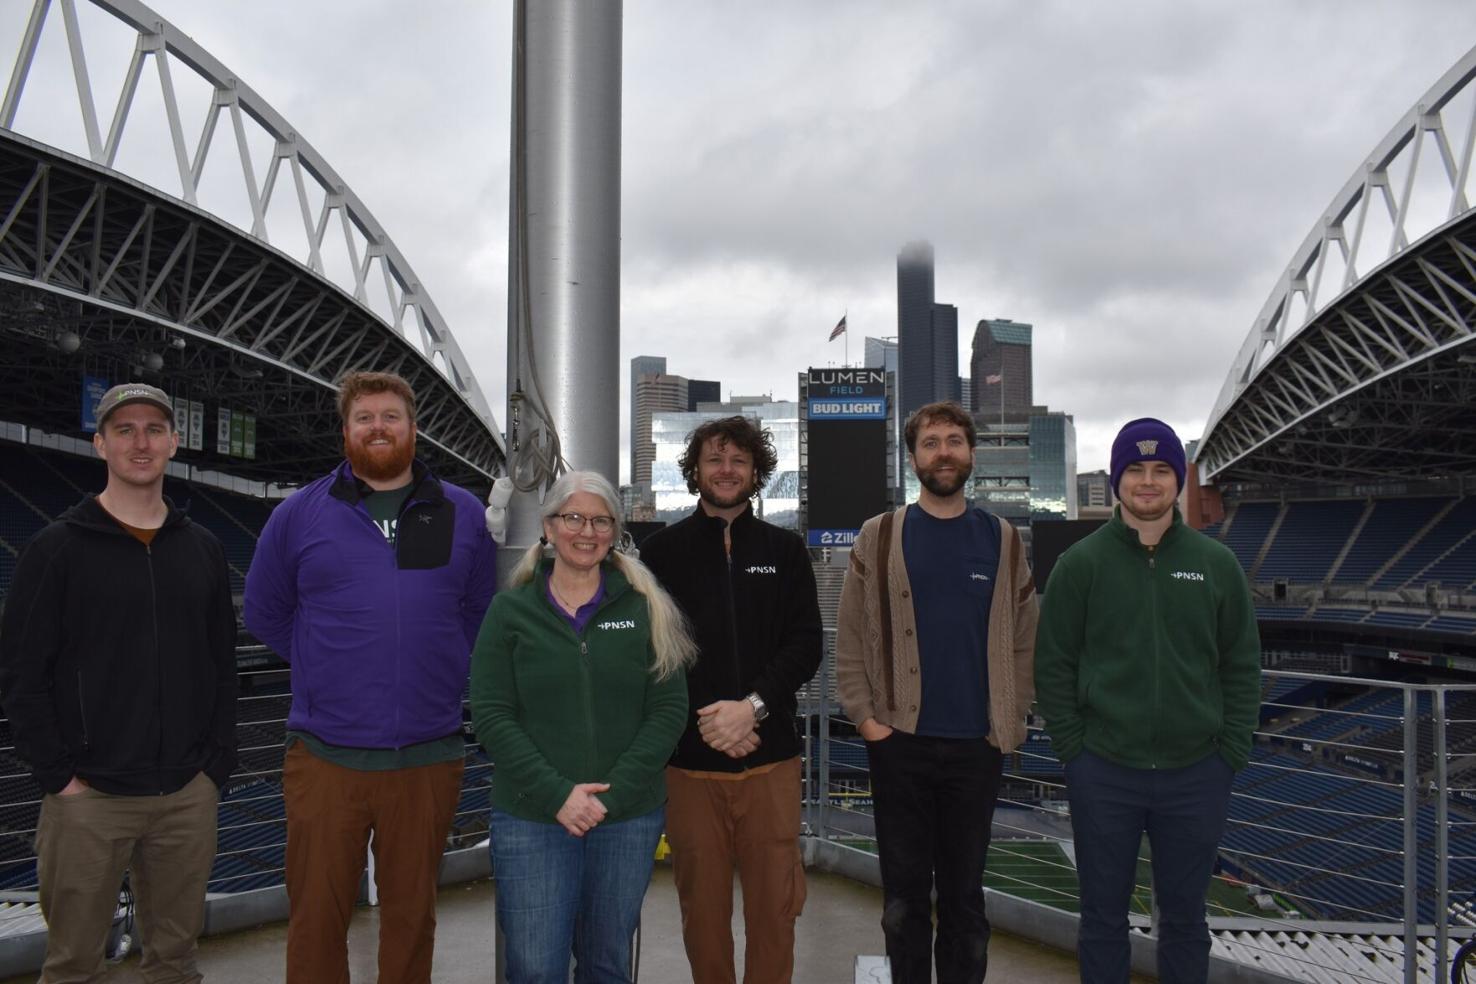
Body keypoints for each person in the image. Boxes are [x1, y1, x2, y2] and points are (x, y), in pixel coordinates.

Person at [243, 370, 497, 984]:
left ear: (414, 429)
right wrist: (327, 663)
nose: (377, 428)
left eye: (390, 417)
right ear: (346, 430)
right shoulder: (300, 513)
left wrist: (434, 665)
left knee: (412, 920)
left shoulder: (459, 512)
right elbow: (265, 611)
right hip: (326, 755)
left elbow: (479, 611)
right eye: (364, 418)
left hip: (428, 755)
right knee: (316, 919)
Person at [0, 382, 237, 983]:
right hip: (89, 800)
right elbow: (22, 674)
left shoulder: (204, 549)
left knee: (175, 965)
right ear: (100, 444)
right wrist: (60, 778)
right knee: (73, 968)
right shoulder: (55, 549)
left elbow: (221, 665)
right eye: (124, 430)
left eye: (154, 430)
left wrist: (214, 768)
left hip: (186, 793)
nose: (141, 442)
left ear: (174, 442)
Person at [1034, 417, 1260, 984]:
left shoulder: (1217, 564)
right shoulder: (1080, 564)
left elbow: (1240, 665)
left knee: (1186, 921)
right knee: (1102, 919)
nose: (1148, 481)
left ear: (1179, 480)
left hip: (1196, 773)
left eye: (1162, 469)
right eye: (1135, 469)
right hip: (1104, 770)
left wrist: (1229, 753)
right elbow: (1053, 665)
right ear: (1117, 479)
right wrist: (1075, 752)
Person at [835, 400, 1038, 984]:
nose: (943, 452)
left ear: (971, 453)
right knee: (902, 904)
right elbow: (851, 637)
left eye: (953, 441)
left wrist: (1012, 717)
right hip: (899, 743)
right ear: (913, 458)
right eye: (930, 443)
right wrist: (867, 719)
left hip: (977, 747)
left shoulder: (1003, 539)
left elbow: (1025, 640)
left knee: (965, 903)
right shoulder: (879, 536)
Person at [470, 470, 692, 983]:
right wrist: (558, 795)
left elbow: (667, 711)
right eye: (573, 518)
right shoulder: (510, 611)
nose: (586, 531)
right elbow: (492, 714)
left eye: (600, 521)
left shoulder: (646, 609)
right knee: (535, 969)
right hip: (533, 817)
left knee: (607, 965)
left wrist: (610, 798)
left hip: (625, 818)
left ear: (615, 532)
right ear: (549, 527)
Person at [639, 415, 823, 984]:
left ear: (755, 471)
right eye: (714, 459)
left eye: (738, 460)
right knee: (702, 915)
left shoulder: (785, 550)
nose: (726, 470)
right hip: (690, 766)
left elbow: (806, 644)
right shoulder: (659, 553)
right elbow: (655, 653)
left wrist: (752, 708)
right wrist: (712, 720)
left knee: (776, 911)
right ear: (695, 470)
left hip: (771, 761)